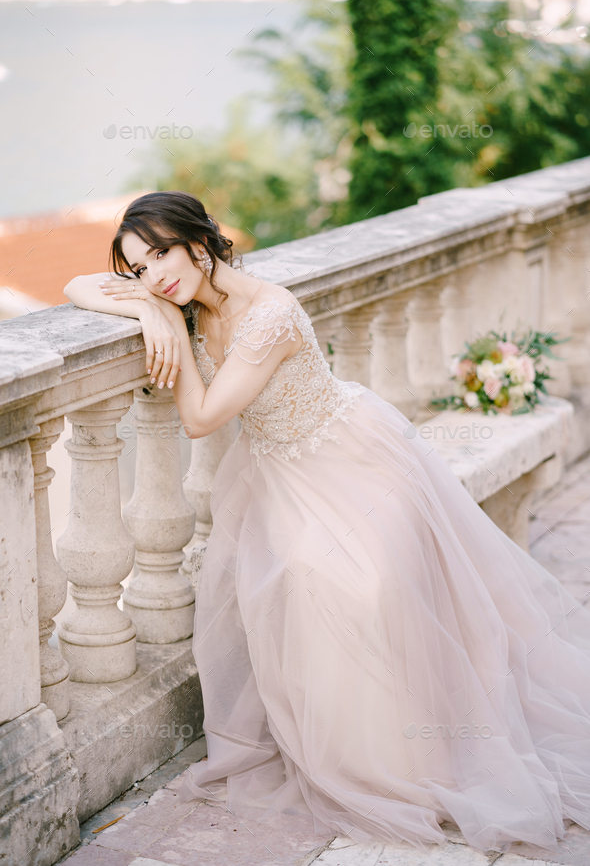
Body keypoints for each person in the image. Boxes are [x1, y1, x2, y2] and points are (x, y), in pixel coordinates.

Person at [64, 190, 590, 856]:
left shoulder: (271, 314)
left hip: (356, 464)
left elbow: (199, 418)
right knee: (300, 587)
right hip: (285, 479)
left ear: (199, 239)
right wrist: (146, 305)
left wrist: (160, 314)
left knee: (365, 588)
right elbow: (76, 283)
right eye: (139, 268)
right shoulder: (181, 300)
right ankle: (358, 755)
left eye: (161, 253)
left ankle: (415, 759)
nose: (154, 274)